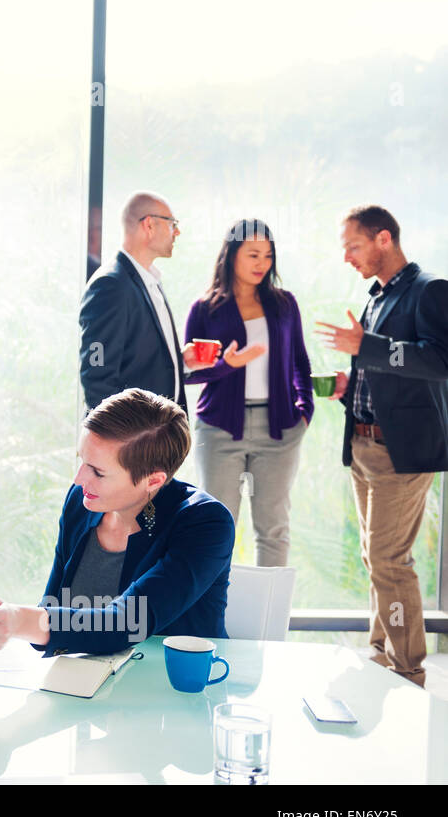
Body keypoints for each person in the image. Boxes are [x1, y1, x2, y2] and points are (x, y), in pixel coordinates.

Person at [0, 388, 234, 656]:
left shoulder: (205, 524)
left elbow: (128, 622)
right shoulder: (83, 502)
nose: (79, 479)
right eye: (82, 460)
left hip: (175, 689)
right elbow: (53, 607)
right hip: (87, 685)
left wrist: (20, 620)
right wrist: (7, 619)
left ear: (153, 481)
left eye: (98, 472)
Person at [316, 205, 448, 687]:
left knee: (391, 560)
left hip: (402, 452)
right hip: (366, 445)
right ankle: (382, 650)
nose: (348, 257)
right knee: (376, 557)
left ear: (384, 239)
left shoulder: (430, 290)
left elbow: (438, 360)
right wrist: (349, 385)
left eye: (353, 246)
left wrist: (364, 347)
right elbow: (389, 370)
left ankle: (408, 668)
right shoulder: (376, 297)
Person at [184, 220, 313, 567]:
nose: (262, 263)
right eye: (253, 254)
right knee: (215, 527)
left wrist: (305, 412)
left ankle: (268, 621)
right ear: (231, 255)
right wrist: (229, 364)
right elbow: (190, 373)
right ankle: (212, 618)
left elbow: (300, 361)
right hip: (220, 429)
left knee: (273, 530)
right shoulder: (204, 308)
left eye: (268, 255)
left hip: (280, 428)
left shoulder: (285, 304)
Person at [79, 192, 215, 411]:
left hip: (158, 434)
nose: (177, 232)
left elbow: (137, 363)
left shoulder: (149, 279)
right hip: (133, 439)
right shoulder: (110, 286)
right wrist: (121, 441)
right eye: (172, 224)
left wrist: (179, 362)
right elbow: (97, 377)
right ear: (149, 225)